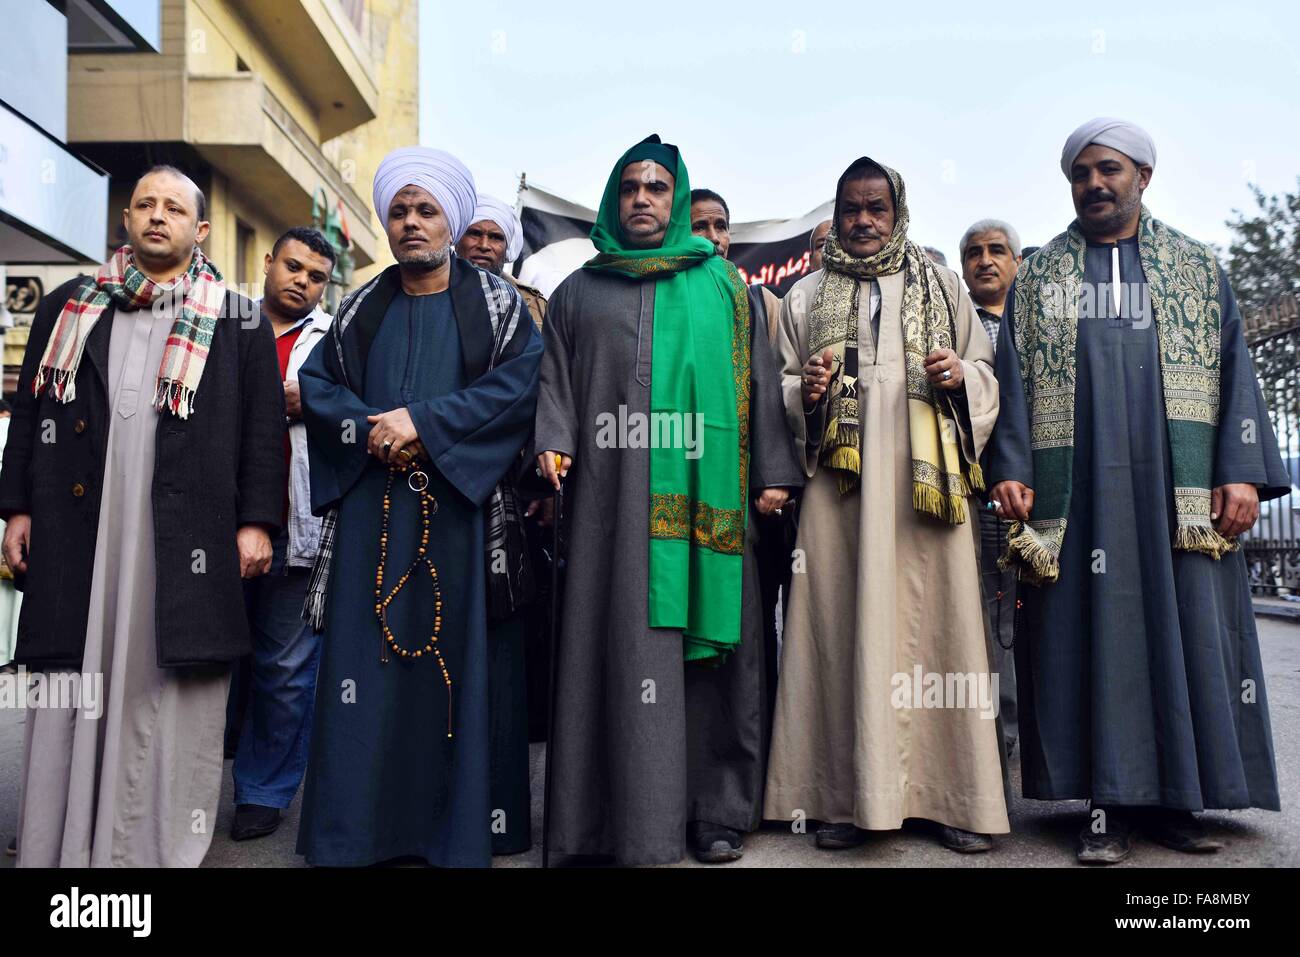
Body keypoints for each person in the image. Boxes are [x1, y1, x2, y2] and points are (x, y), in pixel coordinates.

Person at [986, 118, 1287, 864]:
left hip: (1178, 501)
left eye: (1109, 169)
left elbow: (1235, 372)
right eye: (1082, 172)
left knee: (1184, 632)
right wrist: (1013, 468)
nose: (1095, 182)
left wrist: (1239, 471)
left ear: (1142, 178)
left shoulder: (1195, 268)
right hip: (1078, 501)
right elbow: (1014, 378)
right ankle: (1105, 805)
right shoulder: (1043, 276)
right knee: (1094, 638)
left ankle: (1180, 801)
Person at [0, 164, 284, 867]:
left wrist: (256, 521)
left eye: (174, 208)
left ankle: (147, 845)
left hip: (183, 534)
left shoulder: (237, 317)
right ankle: (57, 838)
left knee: (172, 674)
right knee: (73, 673)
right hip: (80, 528)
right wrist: (16, 508)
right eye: (145, 205)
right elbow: (30, 411)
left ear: (201, 228)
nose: (158, 216)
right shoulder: (70, 303)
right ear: (125, 219)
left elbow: (261, 428)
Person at [534, 135, 802, 865]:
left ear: (676, 199)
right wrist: (551, 441)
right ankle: (598, 822)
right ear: (613, 201)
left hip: (706, 514)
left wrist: (772, 472)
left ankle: (713, 814)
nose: (643, 199)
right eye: (630, 189)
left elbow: (757, 380)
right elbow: (554, 383)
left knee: (712, 666)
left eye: (656, 188)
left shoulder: (724, 286)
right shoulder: (578, 291)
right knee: (609, 651)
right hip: (608, 513)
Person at [296, 146, 542, 867]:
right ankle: (358, 832)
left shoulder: (498, 306)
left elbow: (519, 387)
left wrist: (424, 426)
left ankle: (448, 832)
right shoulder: (360, 306)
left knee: (445, 664)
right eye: (399, 210)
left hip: (458, 515)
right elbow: (318, 387)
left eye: (425, 209)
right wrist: (376, 432)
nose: (410, 222)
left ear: (451, 218)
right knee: (364, 670)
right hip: (374, 510)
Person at [766, 156, 1009, 854]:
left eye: (877, 208)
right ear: (837, 214)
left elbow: (986, 371)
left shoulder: (943, 284)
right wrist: (804, 395)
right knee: (841, 637)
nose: (864, 220)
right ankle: (843, 798)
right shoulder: (807, 294)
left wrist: (961, 375)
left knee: (943, 637)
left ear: (897, 212)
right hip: (839, 501)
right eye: (851, 208)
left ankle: (952, 797)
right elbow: (779, 389)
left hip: (927, 497)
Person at [229, 226, 337, 841]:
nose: (301, 280)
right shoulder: (222, 326)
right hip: (213, 524)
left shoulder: (337, 342)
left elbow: (364, 413)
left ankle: (262, 790)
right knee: (201, 661)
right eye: (292, 266)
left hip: (300, 529)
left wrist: (317, 402)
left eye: (315, 276)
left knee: (287, 668)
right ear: (267, 263)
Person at [690, 186, 793, 726]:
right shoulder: (660, 293)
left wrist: (772, 476)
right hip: (673, 491)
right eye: (699, 225)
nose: (712, 237)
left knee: (750, 630)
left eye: (720, 226)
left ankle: (748, 783)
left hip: (737, 498)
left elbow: (765, 385)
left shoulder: (745, 297)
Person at [958, 218, 1023, 756]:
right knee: (985, 609)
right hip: (977, 491)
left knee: (1036, 610)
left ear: (1016, 263)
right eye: (974, 252)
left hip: (1037, 493)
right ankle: (994, 737)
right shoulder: (957, 331)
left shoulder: (1036, 323)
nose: (985, 260)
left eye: (997, 250)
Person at [456, 194, 547, 328]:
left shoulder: (533, 304)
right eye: (475, 234)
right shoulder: (425, 288)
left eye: (495, 237)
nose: (484, 245)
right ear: (457, 240)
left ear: (507, 248)